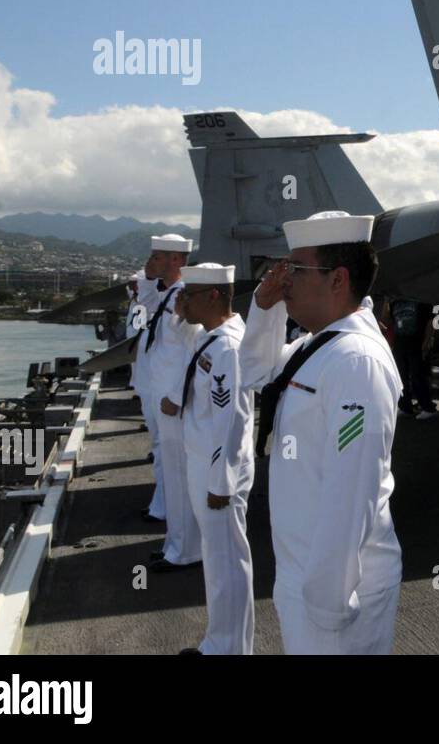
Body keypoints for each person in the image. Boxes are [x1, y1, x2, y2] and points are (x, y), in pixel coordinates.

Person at [240, 211, 404, 654]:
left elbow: (353, 488)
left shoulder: (355, 362)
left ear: (337, 280)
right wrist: (264, 307)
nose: (285, 279)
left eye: (297, 269)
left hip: (335, 591)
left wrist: (327, 600)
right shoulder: (319, 345)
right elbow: (256, 371)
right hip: (304, 574)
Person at [173, 262, 255, 655]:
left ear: (212, 297)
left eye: (188, 296)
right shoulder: (210, 338)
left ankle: (228, 650)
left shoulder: (229, 348)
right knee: (217, 560)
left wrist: (221, 482)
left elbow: (232, 420)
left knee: (226, 565)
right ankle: (218, 644)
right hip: (203, 463)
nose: (181, 302)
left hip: (216, 471)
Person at [131, 237, 193, 529]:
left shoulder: (185, 297)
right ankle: (164, 503)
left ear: (176, 261)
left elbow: (190, 349)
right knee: (160, 447)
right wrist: (146, 277)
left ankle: (170, 509)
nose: (150, 261)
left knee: (171, 450)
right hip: (154, 383)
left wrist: (177, 393)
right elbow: (143, 308)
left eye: (157, 257)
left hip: (169, 388)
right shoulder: (167, 294)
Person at [390, 298, 436, 418]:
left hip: (416, 343)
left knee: (418, 376)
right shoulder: (395, 302)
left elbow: (431, 322)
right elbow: (387, 319)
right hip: (400, 344)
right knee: (401, 377)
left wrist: (426, 341)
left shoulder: (421, 300)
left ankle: (427, 408)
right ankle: (405, 407)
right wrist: (386, 302)